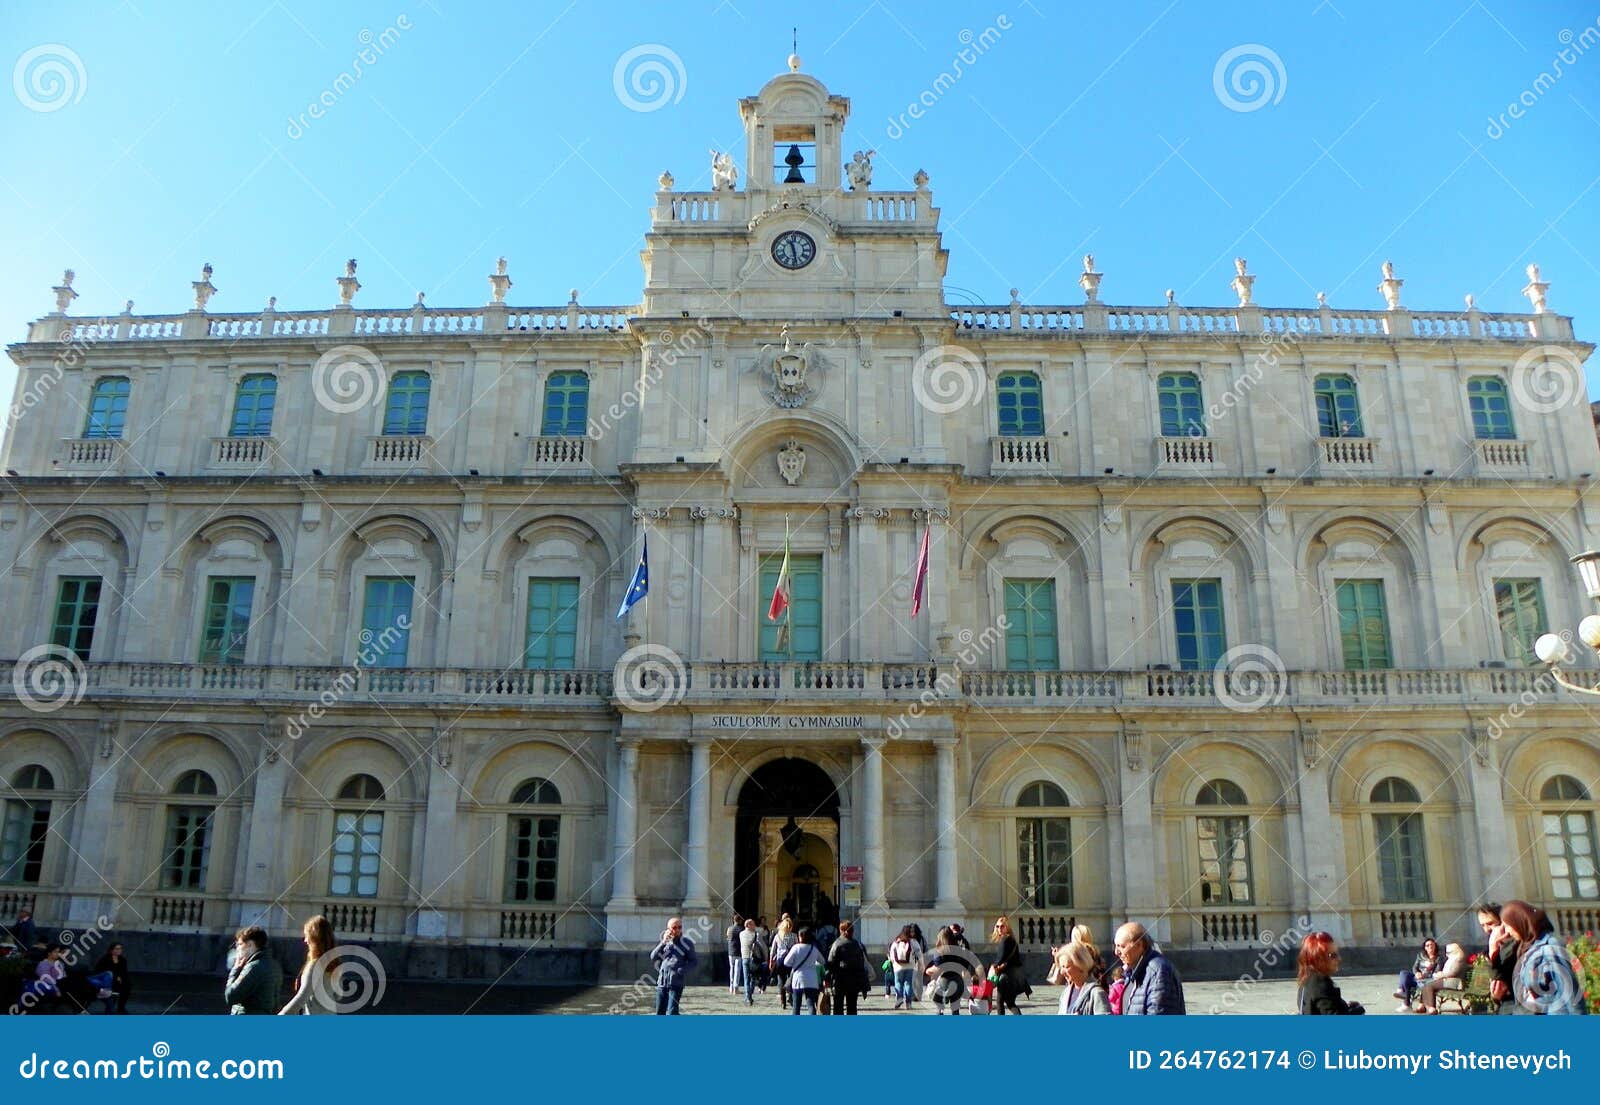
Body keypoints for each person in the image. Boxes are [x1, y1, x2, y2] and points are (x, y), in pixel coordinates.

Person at [1500, 899, 1587, 1015]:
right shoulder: (1525, 949)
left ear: (1519, 922)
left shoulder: (1549, 947)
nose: (1506, 931)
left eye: (1507, 926)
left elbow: (1569, 991)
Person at [1115, 922, 1185, 1015]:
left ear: (1139, 945)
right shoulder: (1132, 970)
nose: (1116, 952)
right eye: (1116, 946)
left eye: (1122, 946)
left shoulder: (1158, 972)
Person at [279, 915, 341, 1015]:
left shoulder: (315, 965)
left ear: (314, 939)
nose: (305, 940)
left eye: (307, 936)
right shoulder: (335, 964)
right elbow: (339, 995)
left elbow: (302, 997)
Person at [1296, 931, 1364, 1015]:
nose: (1339, 959)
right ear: (1318, 958)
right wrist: (1357, 1011)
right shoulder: (1321, 985)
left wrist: (1347, 1007)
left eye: (1337, 954)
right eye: (1333, 955)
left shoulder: (1307, 978)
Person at [224, 926, 282, 1015]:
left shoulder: (253, 967)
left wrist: (235, 970)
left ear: (250, 945)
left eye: (239, 944)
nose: (237, 949)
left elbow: (230, 996)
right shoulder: (274, 964)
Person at [1477, 902, 1519, 1014]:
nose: (1486, 930)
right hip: (1504, 1003)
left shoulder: (1513, 946)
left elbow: (1498, 979)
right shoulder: (1491, 947)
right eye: (1482, 925)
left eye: (1490, 924)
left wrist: (1493, 950)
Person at [650, 917, 698, 1015]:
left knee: (672, 1012)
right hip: (662, 983)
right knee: (659, 1012)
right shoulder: (665, 942)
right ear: (668, 929)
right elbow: (653, 957)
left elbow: (694, 961)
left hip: (676, 983)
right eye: (674, 927)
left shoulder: (687, 943)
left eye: (679, 927)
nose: (677, 930)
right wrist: (663, 942)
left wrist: (681, 970)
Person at [825, 919, 869, 1015]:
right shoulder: (857, 944)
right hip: (854, 980)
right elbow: (861, 963)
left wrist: (827, 979)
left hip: (839, 980)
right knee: (852, 1006)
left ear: (842, 930)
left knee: (838, 1006)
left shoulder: (837, 944)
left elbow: (830, 962)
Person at [924, 926, 970, 1015]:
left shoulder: (940, 951)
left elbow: (937, 969)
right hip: (958, 980)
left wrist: (928, 971)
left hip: (945, 981)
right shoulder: (959, 949)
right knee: (955, 1010)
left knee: (939, 1008)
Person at [1057, 942, 1111, 1015]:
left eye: (1066, 967)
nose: (1062, 972)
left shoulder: (1096, 993)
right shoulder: (1065, 993)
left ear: (1080, 965)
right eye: (1061, 967)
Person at [1414, 942, 1468, 1013]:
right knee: (1427, 984)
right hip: (1448, 980)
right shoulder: (1452, 959)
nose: (1447, 955)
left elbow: (1452, 973)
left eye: (1448, 953)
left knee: (1429, 986)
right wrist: (1439, 974)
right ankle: (1425, 1006)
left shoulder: (1458, 960)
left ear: (1454, 951)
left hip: (1454, 982)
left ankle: (1431, 1008)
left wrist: (1440, 975)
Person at [1395, 936, 1445, 1011]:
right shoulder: (1421, 956)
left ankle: (1406, 1003)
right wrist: (1417, 973)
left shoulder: (1439, 958)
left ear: (1435, 946)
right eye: (1427, 945)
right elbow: (1415, 967)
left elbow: (1436, 973)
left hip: (1427, 980)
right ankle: (1401, 991)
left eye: (1432, 945)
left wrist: (1429, 969)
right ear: (1425, 947)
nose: (1430, 946)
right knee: (1403, 973)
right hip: (1418, 977)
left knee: (1407, 983)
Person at [783, 927, 824, 1014]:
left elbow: (786, 962)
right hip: (812, 980)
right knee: (811, 1005)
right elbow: (822, 961)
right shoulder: (814, 949)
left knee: (796, 1005)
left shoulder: (796, 948)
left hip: (798, 979)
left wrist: (794, 964)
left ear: (801, 936)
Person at [990, 916, 1025, 1014]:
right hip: (1015, 975)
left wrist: (993, 967)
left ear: (1007, 927)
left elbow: (1000, 959)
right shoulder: (1012, 940)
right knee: (1010, 1002)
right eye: (997, 926)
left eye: (1002, 926)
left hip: (1006, 976)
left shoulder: (1005, 940)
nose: (999, 929)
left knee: (1000, 1001)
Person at [888, 924, 921, 1009]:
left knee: (898, 982)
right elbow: (919, 954)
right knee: (908, 984)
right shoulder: (913, 942)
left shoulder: (896, 942)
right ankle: (908, 1003)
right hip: (910, 966)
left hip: (898, 967)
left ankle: (899, 999)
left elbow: (891, 955)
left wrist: (894, 963)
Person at [92, 943, 131, 1014]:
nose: (119, 950)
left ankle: (121, 1007)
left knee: (127, 985)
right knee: (113, 987)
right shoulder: (105, 959)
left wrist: (122, 978)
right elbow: (101, 972)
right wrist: (115, 977)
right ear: (111, 950)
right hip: (107, 980)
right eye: (117, 949)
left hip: (119, 980)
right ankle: (110, 1007)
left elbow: (124, 972)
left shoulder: (123, 960)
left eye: (120, 949)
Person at [769, 917, 798, 1009]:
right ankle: (790, 997)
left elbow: (773, 950)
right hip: (791, 961)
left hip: (780, 961)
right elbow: (797, 948)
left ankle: (783, 1001)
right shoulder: (794, 936)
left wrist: (771, 961)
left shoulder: (778, 936)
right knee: (791, 980)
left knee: (781, 981)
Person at [738, 918, 766, 1005]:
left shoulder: (741, 934)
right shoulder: (755, 934)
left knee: (747, 978)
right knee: (752, 978)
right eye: (753, 924)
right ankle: (749, 996)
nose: (755, 926)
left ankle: (748, 997)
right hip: (752, 959)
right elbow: (762, 931)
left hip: (744, 958)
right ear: (748, 925)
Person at [724, 913, 744, 995]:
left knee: (731, 969)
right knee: (737, 970)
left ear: (733, 920)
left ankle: (731, 987)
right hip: (738, 952)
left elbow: (727, 938)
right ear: (739, 920)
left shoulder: (729, 928)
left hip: (730, 951)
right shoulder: (741, 929)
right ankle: (736, 988)